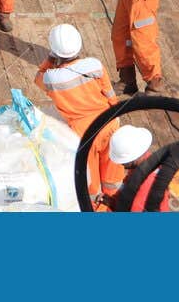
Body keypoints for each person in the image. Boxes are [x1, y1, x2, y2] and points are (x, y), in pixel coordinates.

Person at [35, 23, 121, 202]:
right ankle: (117, 205)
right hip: (109, 123)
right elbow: (111, 96)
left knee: (91, 184)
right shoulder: (94, 66)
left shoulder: (52, 79)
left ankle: (97, 209)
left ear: (55, 50)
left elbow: (38, 77)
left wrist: (50, 59)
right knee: (113, 176)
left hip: (83, 134)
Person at [102, 125, 170, 211]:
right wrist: (113, 202)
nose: (122, 164)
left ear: (134, 157)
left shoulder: (144, 187)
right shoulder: (146, 162)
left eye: (124, 161)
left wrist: (114, 205)